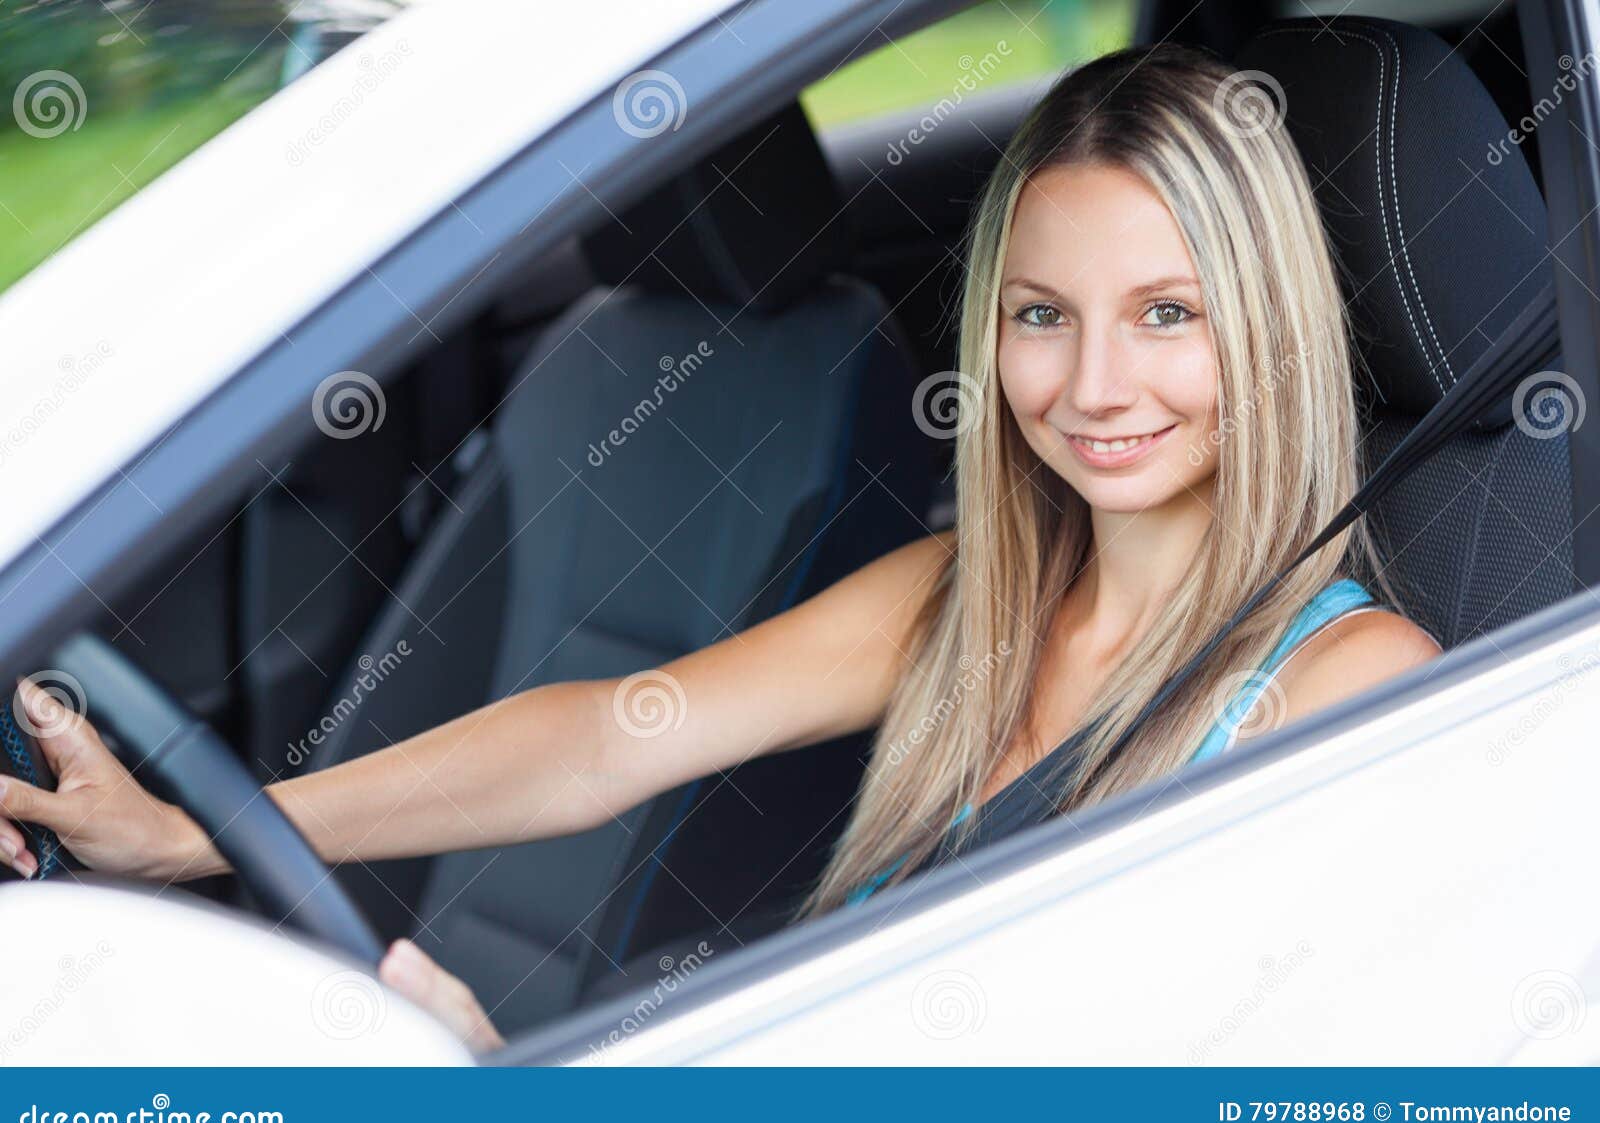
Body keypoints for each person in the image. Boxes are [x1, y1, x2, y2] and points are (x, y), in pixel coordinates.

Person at [0, 44, 1439, 1052]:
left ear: (1271, 328)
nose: (1094, 387)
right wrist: (195, 833)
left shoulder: (1352, 685)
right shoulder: (964, 596)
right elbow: (601, 741)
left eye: (1169, 315)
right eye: (1041, 316)